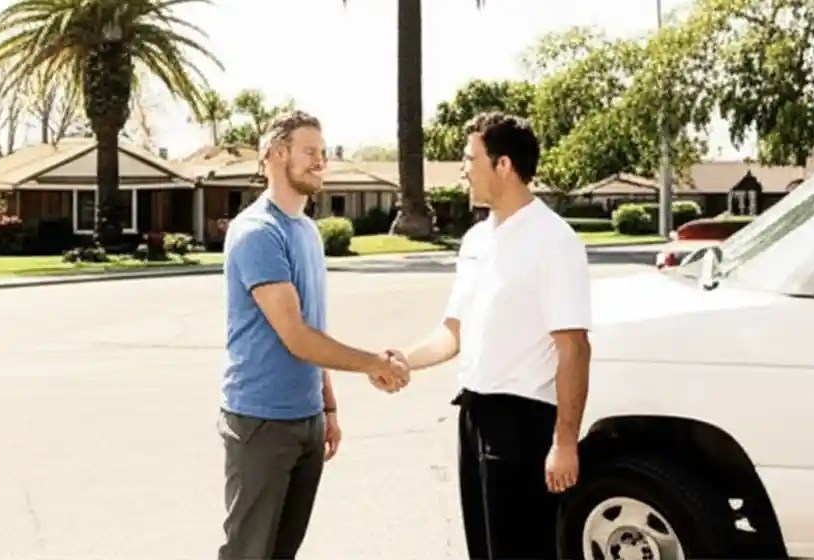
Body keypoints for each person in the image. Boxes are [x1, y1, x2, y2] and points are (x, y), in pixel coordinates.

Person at [391, 111, 592, 560]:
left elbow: (574, 349)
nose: (463, 168)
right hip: (475, 417)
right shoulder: (477, 240)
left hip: (524, 425)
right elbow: (452, 333)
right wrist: (401, 360)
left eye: (470, 157)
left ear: (503, 165)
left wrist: (564, 442)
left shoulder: (554, 242)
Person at [217, 109, 411, 560]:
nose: (320, 161)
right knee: (249, 552)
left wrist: (326, 405)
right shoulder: (257, 233)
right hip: (261, 421)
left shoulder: (306, 231)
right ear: (276, 155)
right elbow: (296, 336)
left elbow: (314, 330)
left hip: (305, 419)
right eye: (309, 152)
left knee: (283, 552)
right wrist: (375, 364)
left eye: (322, 153)